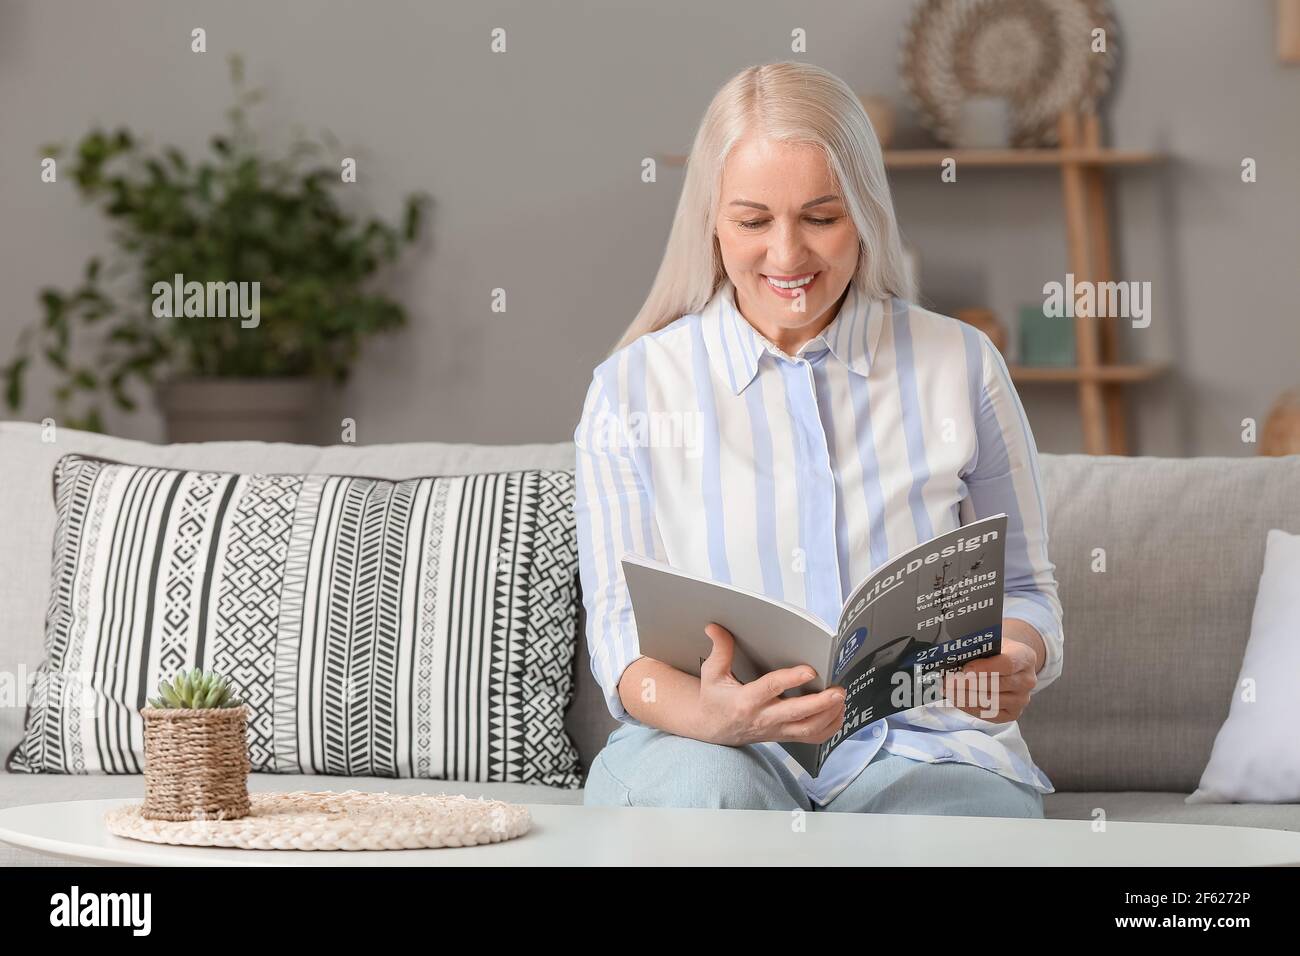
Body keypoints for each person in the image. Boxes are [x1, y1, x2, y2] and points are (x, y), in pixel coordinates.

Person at [573, 61, 1063, 817]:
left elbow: (1026, 590)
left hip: (921, 745)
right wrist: (714, 717)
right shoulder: (630, 391)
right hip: (708, 749)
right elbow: (621, 645)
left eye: (821, 217)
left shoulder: (961, 363)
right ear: (711, 218)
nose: (788, 256)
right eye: (753, 220)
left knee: (957, 828)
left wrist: (1015, 658)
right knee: (706, 803)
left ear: (864, 212)